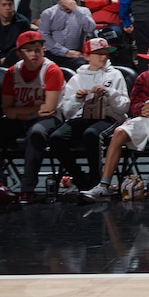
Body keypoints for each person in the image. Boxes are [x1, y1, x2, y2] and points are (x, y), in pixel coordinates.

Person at [81, 41, 149, 202]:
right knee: (119, 132)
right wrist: (142, 109)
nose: (148, 63)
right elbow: (133, 105)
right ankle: (103, 185)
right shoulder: (143, 77)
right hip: (144, 118)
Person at [0, 30, 64, 204]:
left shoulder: (52, 70)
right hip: (27, 116)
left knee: (36, 133)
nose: (34, 54)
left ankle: (27, 188)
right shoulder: (11, 73)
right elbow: (8, 109)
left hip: (48, 118)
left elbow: (50, 107)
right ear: (19, 53)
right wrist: (31, 113)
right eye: (29, 50)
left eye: (38, 49)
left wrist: (23, 113)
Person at [47, 37, 129, 191]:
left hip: (109, 116)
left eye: (106, 53)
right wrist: (77, 98)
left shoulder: (115, 75)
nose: (104, 57)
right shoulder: (77, 78)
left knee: (92, 134)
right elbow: (67, 111)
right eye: (98, 53)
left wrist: (109, 92)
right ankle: (79, 177)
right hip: (82, 116)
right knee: (56, 138)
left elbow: (124, 107)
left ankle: (96, 180)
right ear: (86, 56)